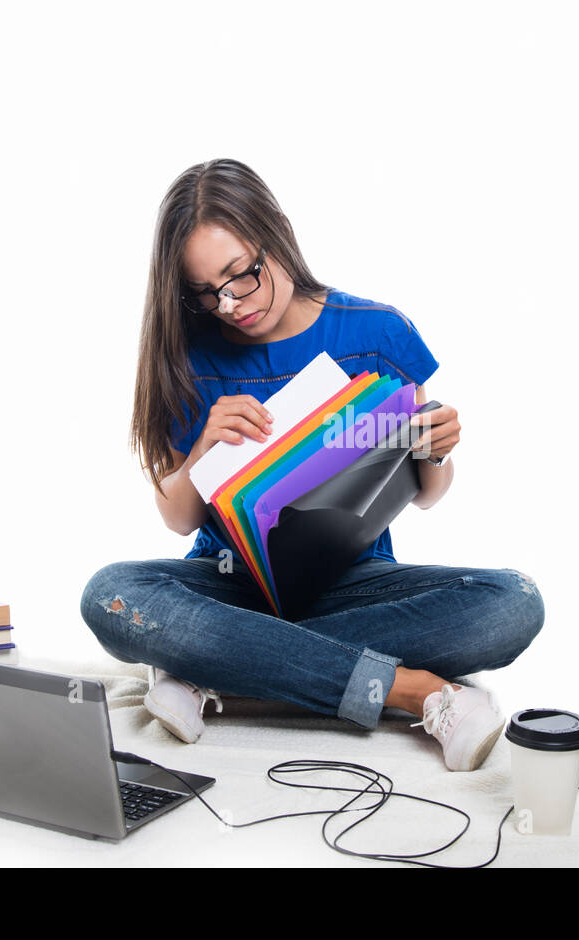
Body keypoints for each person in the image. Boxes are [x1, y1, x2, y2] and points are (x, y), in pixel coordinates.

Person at [80, 158, 545, 771]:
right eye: (205, 291)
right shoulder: (188, 355)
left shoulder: (375, 332)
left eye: (240, 275)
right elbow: (178, 519)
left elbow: (428, 493)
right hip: (228, 583)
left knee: (514, 602)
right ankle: (412, 690)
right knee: (110, 595)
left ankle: (215, 666)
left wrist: (434, 448)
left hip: (352, 585)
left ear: (275, 233)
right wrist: (202, 450)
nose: (229, 304)